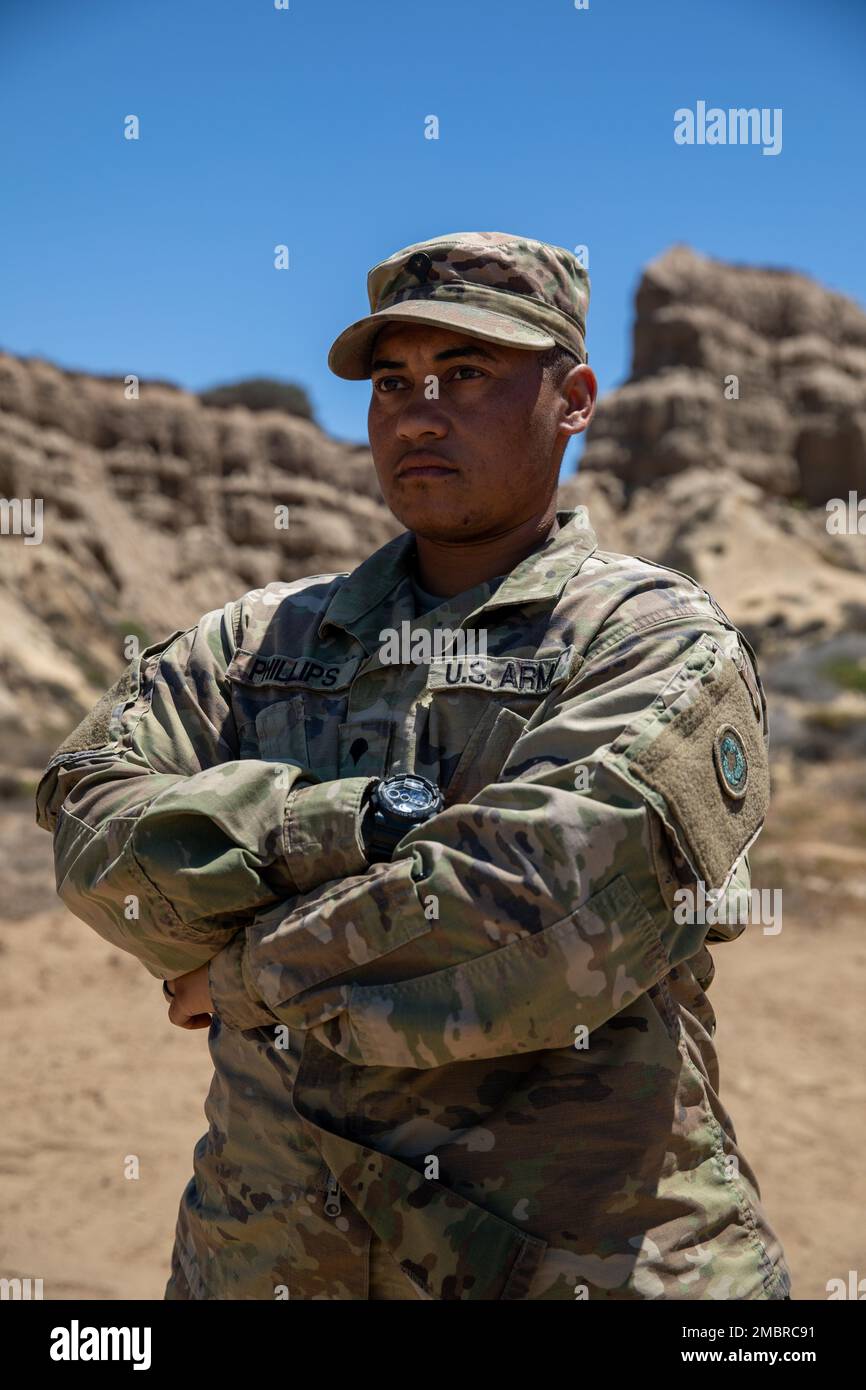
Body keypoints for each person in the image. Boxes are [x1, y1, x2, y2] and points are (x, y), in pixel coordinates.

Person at [35, 231, 792, 1301]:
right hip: (272, 1260)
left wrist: (242, 973)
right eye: (393, 382)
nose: (418, 413)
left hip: (581, 1263)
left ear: (572, 398)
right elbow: (90, 833)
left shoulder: (652, 637)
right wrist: (349, 829)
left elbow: (540, 916)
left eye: (466, 375)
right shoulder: (258, 640)